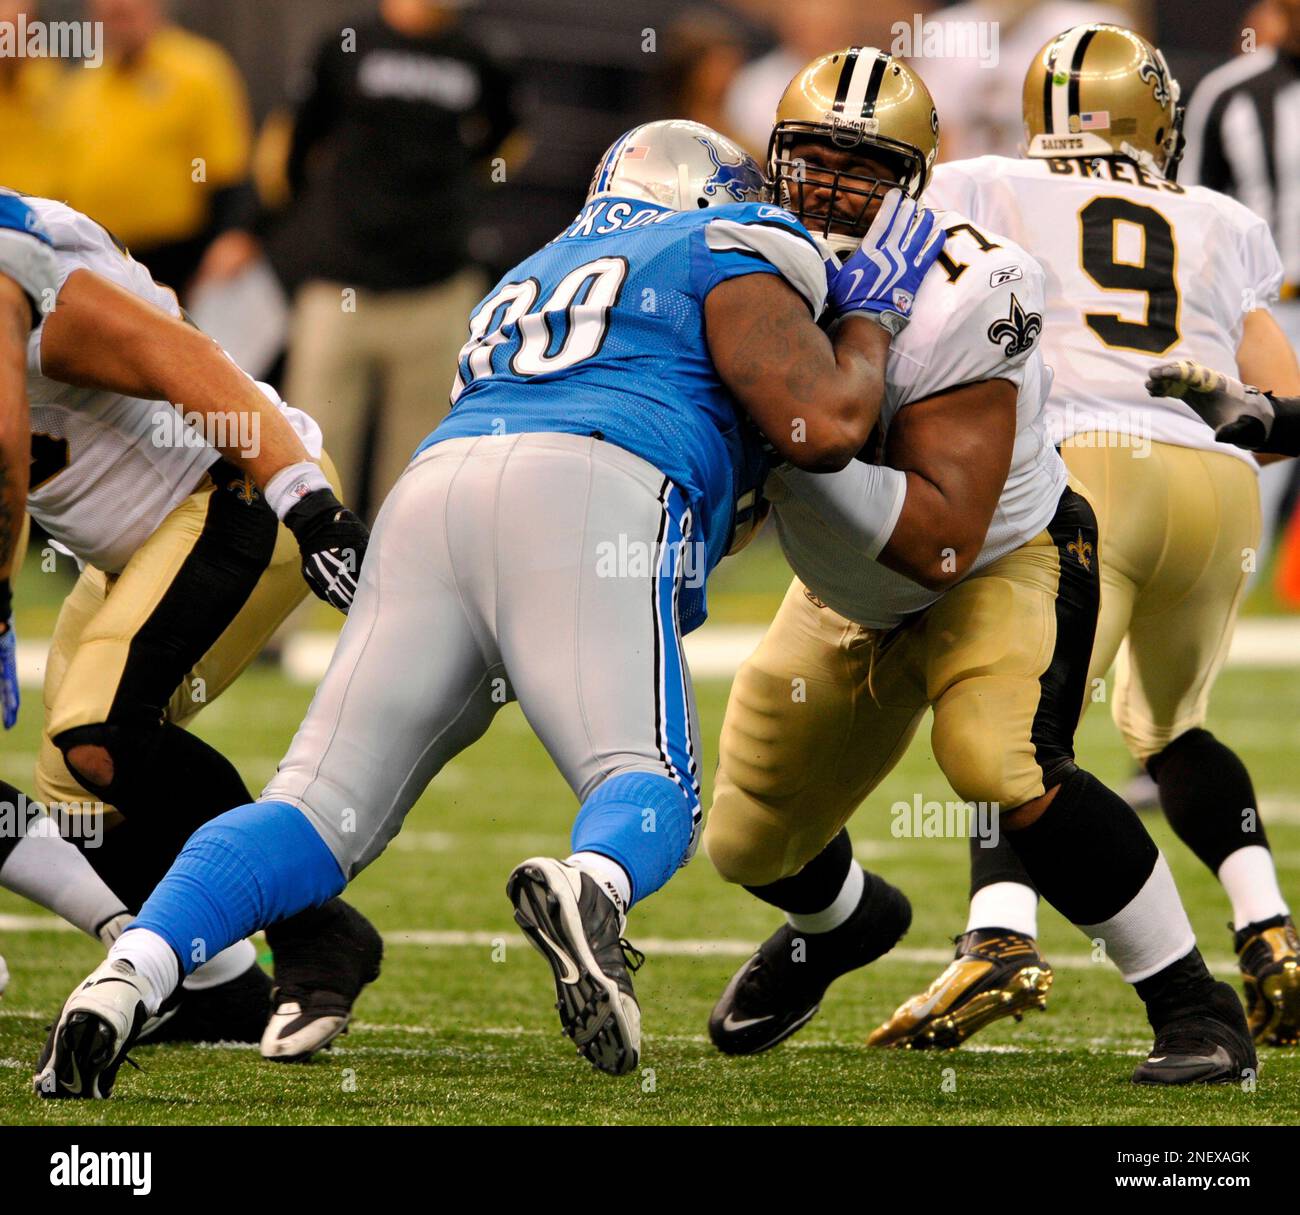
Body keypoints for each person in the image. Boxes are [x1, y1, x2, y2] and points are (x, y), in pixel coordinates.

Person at [34, 116, 949, 1097]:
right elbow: (822, 423)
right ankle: (591, 888)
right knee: (647, 783)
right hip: (590, 482)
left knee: (309, 809)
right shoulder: (732, 240)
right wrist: (872, 317)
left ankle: (131, 974)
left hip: (432, 498)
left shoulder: (535, 265)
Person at [703, 44, 1257, 1086]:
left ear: (913, 181)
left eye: (862, 169)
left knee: (995, 761)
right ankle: (842, 927)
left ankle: (1196, 1008)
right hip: (841, 590)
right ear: (773, 160)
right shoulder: (734, 259)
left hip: (998, 562)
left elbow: (940, 538)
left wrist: (790, 449)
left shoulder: (971, 281)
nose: (830, 188)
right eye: (811, 160)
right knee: (746, 841)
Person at [871, 23, 1300, 1052]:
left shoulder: (976, 183)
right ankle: (1269, 928)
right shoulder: (1220, 215)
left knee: (1010, 719)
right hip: (1216, 485)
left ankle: (997, 936)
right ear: (1159, 120)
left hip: (1076, 468)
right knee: (1168, 729)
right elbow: (1282, 398)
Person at [5, 187, 382, 1063]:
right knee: (75, 785)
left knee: (100, 731)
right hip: (137, 545)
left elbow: (191, 365)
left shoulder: (43, 301)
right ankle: (217, 987)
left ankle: (314, 928)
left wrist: (312, 506)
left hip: (235, 491)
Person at [275, 0, 520, 520]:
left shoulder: (483, 54)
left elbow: (506, 140)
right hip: (340, 285)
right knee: (307, 465)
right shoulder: (347, 41)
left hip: (435, 286)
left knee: (420, 477)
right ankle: (295, 594)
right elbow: (294, 146)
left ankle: (400, 599)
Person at [56, 0, 257, 298]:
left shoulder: (199, 71)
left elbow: (231, 172)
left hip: (183, 258)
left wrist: (234, 234)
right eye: (108, 8)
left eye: (127, 8)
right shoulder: (80, 88)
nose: (117, 10)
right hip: (100, 263)